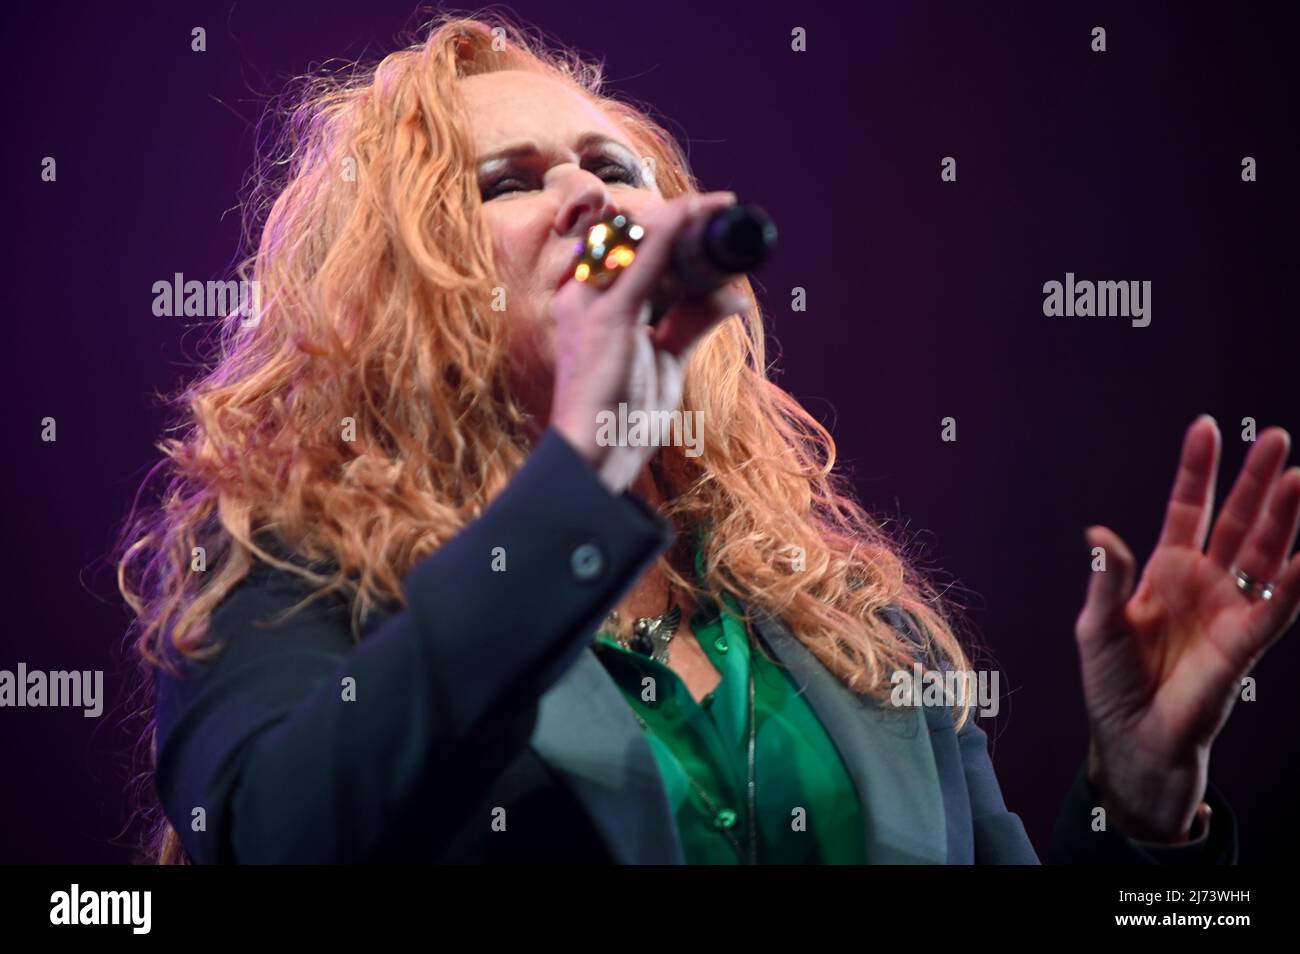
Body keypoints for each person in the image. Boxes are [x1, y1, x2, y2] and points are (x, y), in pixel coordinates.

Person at [116, 14, 1299, 864]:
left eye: (615, 168)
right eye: (506, 182)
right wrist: (577, 475)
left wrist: (1141, 816)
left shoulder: (844, 626)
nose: (590, 198)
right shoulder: (288, 569)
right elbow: (278, 836)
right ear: (393, 287)